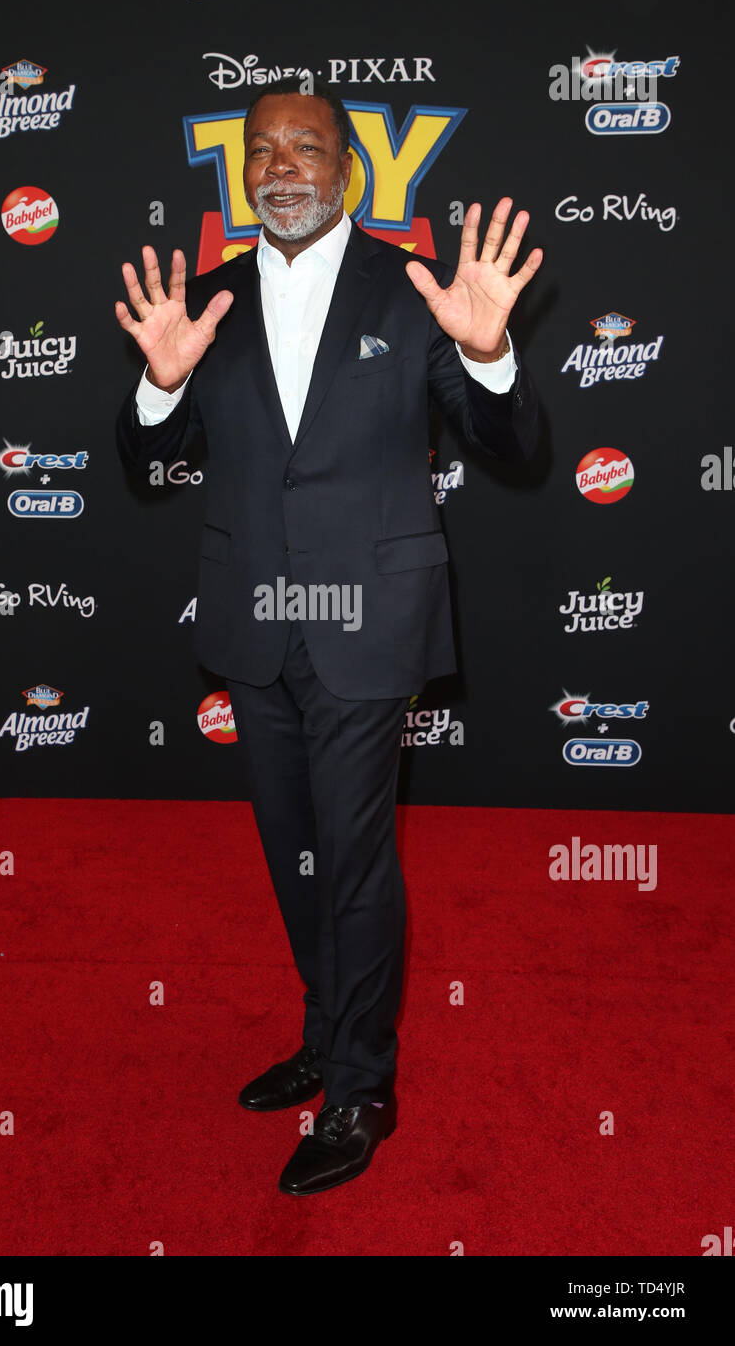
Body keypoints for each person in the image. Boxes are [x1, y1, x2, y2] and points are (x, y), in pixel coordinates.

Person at [115, 78, 541, 1196]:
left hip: (367, 621)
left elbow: (516, 444)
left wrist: (490, 358)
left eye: (308, 145)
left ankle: (359, 1082)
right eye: (263, 149)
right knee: (291, 847)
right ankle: (322, 1027)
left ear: (348, 171)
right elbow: (140, 455)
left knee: (354, 858)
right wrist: (159, 391)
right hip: (255, 622)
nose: (283, 163)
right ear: (239, 171)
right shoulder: (204, 302)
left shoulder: (411, 291)